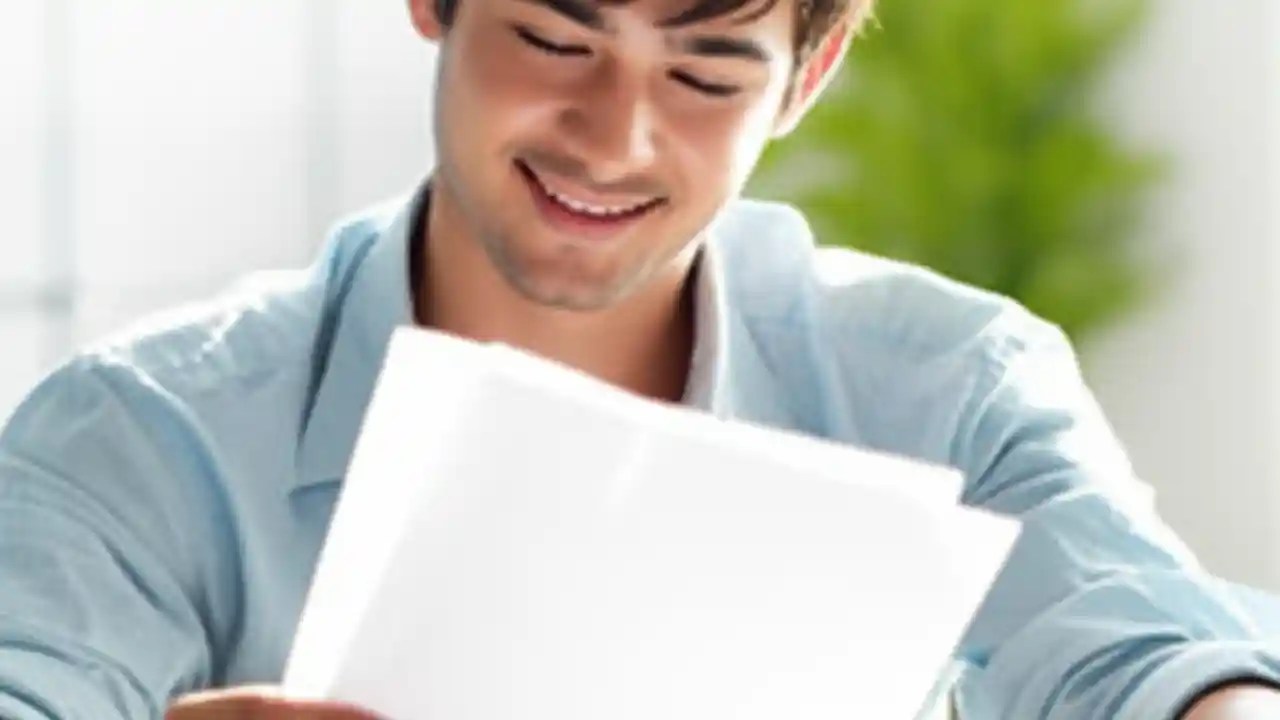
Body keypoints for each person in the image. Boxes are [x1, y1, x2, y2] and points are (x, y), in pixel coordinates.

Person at [1, 0, 1278, 717]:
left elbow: (1142, 653)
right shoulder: (136, 438)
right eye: (558, 43)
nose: (614, 139)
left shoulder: (948, 387)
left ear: (806, 78)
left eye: (705, 76)